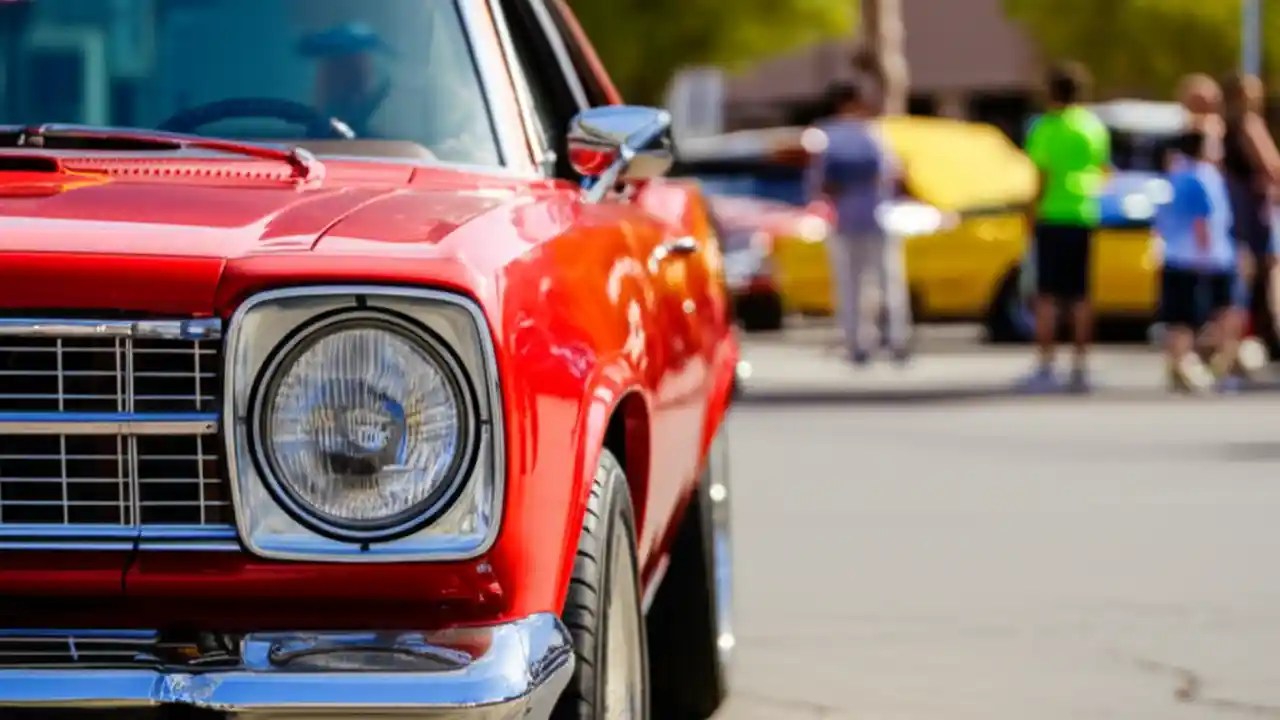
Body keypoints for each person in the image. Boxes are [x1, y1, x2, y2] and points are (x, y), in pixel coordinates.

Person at [806, 80, 911, 365]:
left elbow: (820, 184)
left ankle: (856, 342)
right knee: (888, 279)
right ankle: (896, 338)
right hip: (879, 215)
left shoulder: (826, 136)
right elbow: (892, 174)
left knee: (849, 284)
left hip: (845, 217)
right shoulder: (875, 133)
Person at [1021, 62, 1111, 392]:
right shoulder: (1093, 127)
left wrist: (1030, 213)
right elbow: (1103, 169)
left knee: (1047, 295)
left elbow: (1040, 175)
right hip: (1085, 213)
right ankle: (1080, 364)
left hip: (1053, 214)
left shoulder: (1046, 127)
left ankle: (1046, 363)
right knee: (1081, 295)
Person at [1154, 129, 1239, 392]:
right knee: (1196, 315)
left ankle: (1182, 366)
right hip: (1203, 258)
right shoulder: (1201, 177)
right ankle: (1207, 366)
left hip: (1178, 255)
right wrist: (1205, 254)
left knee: (1181, 317)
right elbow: (1202, 221)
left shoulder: (1178, 174)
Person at [1220, 73, 1280, 361]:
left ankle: (1248, 335)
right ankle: (1264, 336)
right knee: (1262, 270)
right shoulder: (1249, 124)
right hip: (1253, 208)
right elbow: (1271, 165)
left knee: (1245, 273)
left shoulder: (1223, 126)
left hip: (1234, 207)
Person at [298, 23, 392, 137]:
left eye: (355, 74)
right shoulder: (289, 143)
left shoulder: (395, 148)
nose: (346, 86)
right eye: (336, 73)